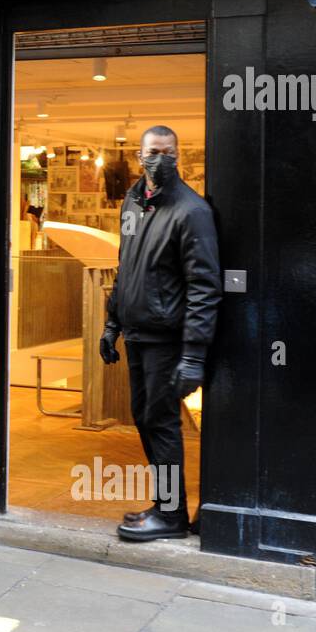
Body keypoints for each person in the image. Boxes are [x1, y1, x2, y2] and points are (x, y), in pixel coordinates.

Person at [100, 125, 222, 541]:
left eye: (168, 153)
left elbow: (205, 287)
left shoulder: (192, 211)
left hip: (166, 339)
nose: (160, 159)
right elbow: (125, 266)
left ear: (178, 156)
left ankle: (171, 515)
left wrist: (193, 355)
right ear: (139, 156)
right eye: (153, 152)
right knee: (145, 418)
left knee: (162, 422)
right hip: (136, 334)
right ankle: (164, 505)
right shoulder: (133, 203)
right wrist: (112, 323)